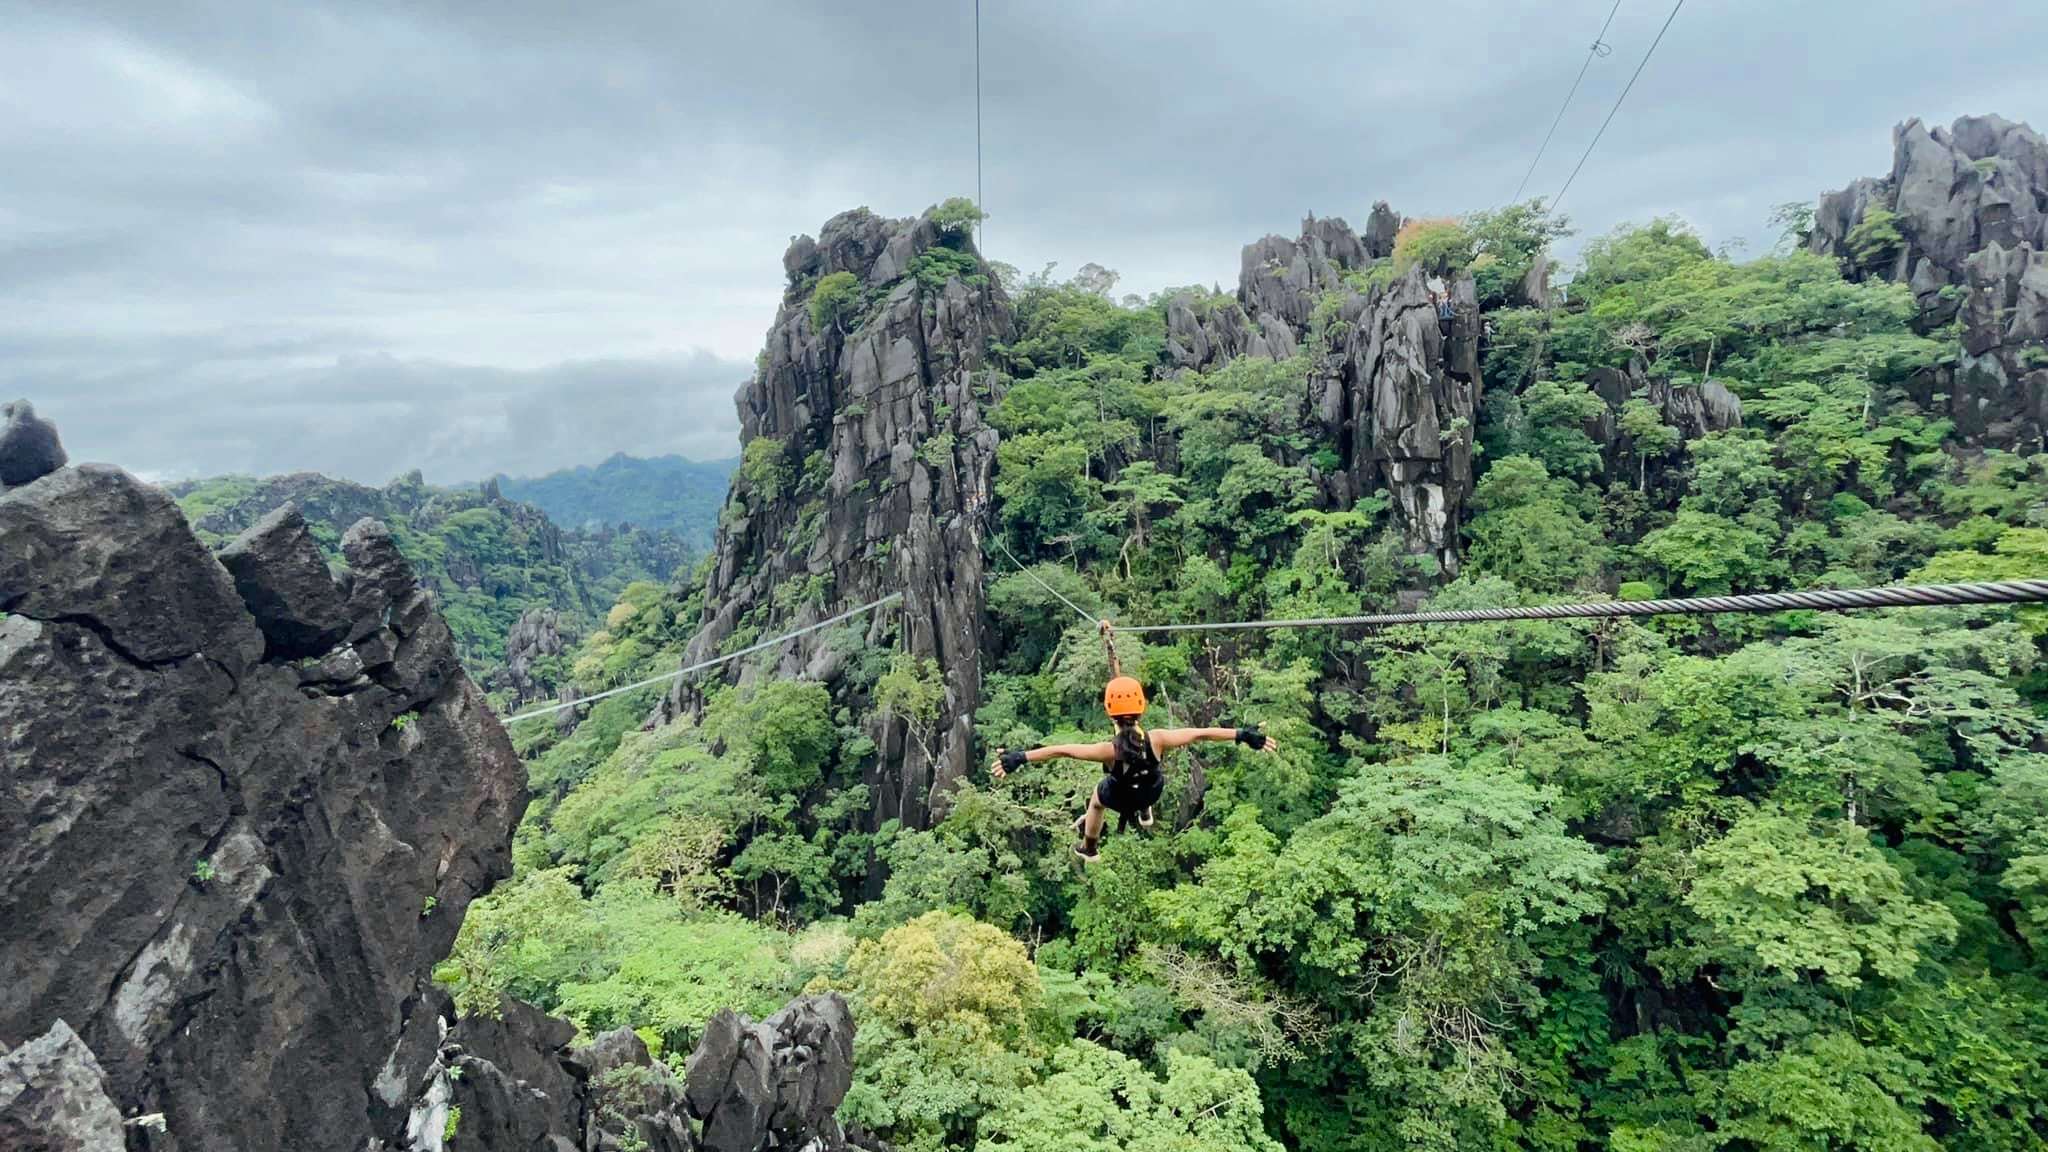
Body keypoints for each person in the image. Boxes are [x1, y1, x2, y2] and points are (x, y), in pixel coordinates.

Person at [988, 675, 1278, 862]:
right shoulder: (1159, 739)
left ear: (1108, 712)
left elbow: (1061, 751)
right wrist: (1242, 735)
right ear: (1143, 708)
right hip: (1151, 793)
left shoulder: (1108, 751)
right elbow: (1201, 733)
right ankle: (1144, 812)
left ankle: (1089, 847)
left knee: (1096, 801)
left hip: (1119, 796)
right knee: (1147, 782)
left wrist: (1019, 758)